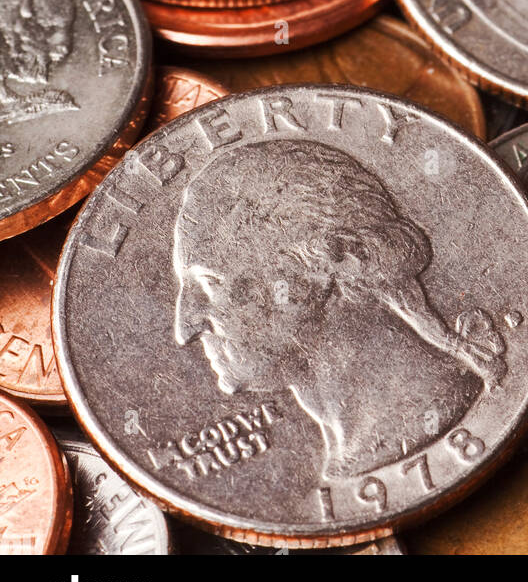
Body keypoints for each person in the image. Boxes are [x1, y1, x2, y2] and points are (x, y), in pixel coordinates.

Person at [173, 137, 507, 479]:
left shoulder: (412, 420)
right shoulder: (358, 449)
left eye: (212, 283)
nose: (185, 328)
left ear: (332, 262)